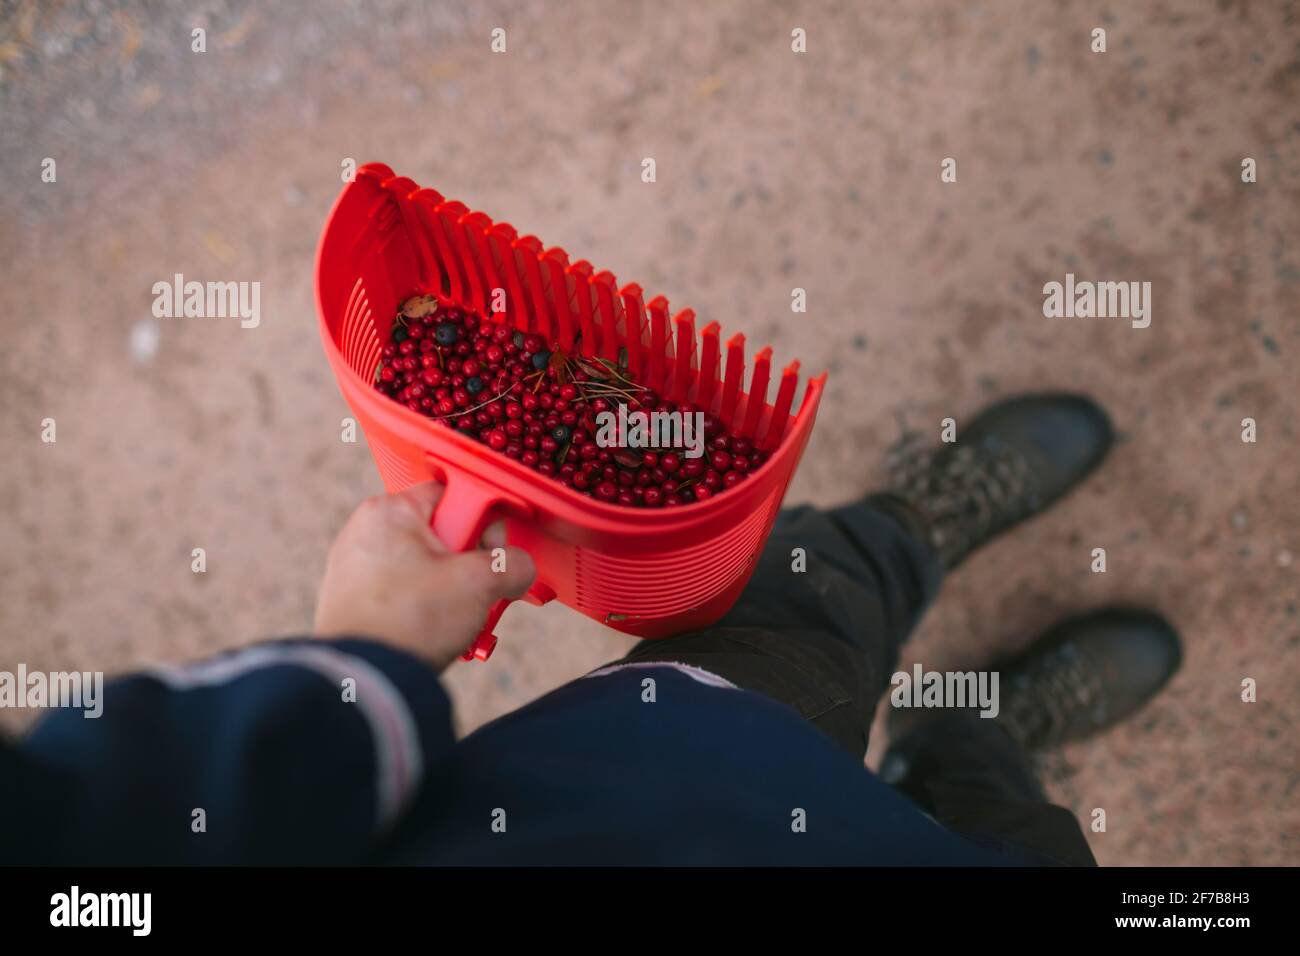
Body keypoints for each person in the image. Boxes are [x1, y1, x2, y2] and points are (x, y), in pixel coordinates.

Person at [1, 393, 1180, 865]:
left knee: (806, 612)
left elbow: (138, 823)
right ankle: (960, 751)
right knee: (1018, 835)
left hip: (676, 788)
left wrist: (364, 656)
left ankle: (905, 530)